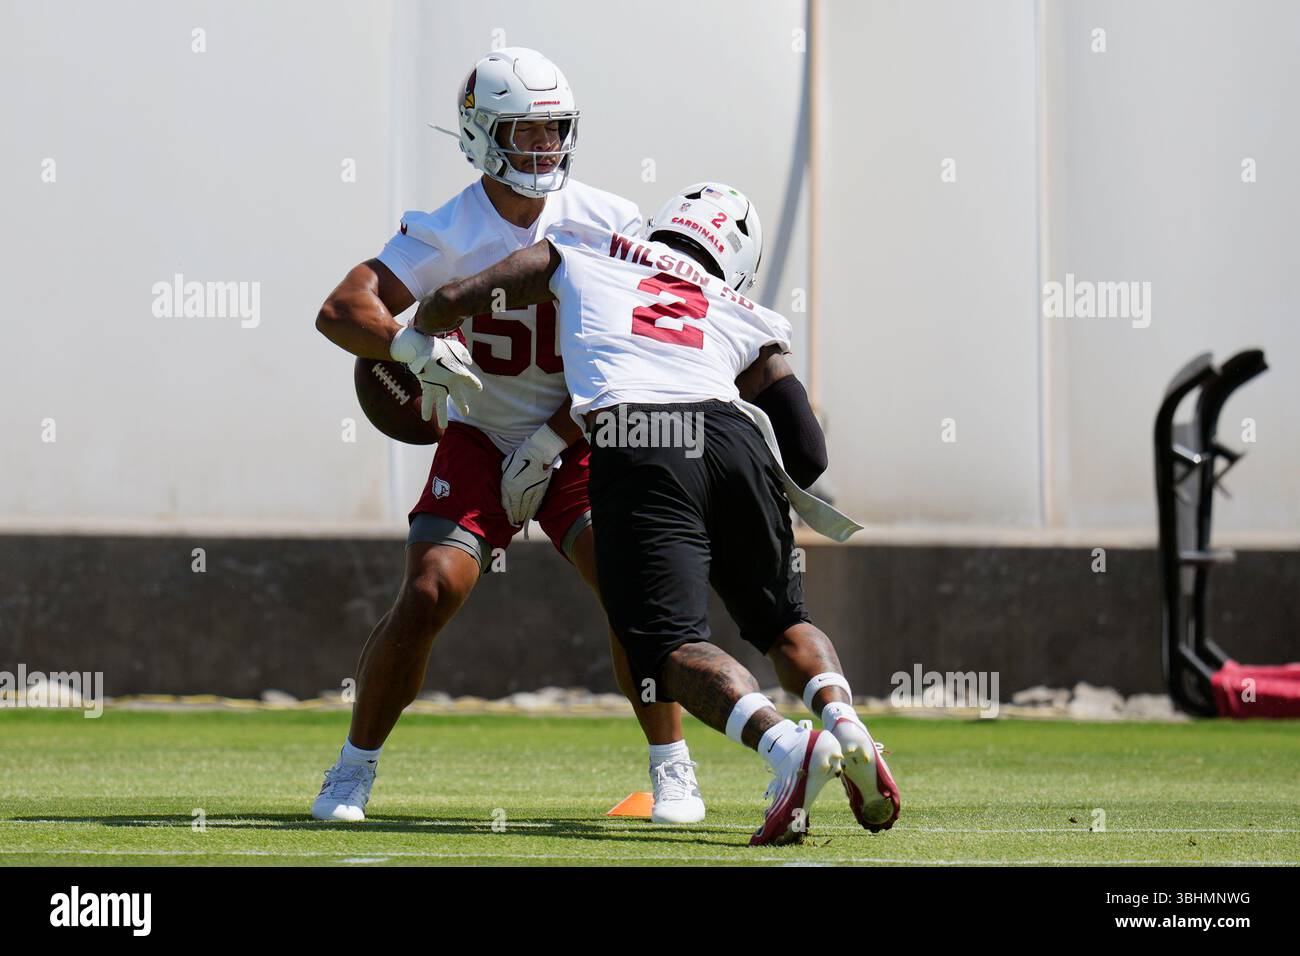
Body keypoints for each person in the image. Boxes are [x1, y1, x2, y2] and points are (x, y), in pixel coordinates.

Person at [415, 183, 901, 844]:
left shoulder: (588, 251)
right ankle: (846, 724)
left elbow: (451, 300)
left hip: (638, 439)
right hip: (736, 440)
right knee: (786, 624)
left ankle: (791, 749)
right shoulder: (741, 307)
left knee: (663, 648)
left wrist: (418, 339)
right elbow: (809, 454)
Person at [311, 47, 706, 825]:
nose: (544, 149)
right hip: (481, 436)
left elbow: (636, 357)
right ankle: (353, 768)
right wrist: (409, 346)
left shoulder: (607, 220)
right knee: (428, 592)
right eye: (525, 134)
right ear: (481, 135)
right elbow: (340, 308)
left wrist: (555, 440)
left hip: (581, 435)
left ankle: (673, 768)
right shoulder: (448, 231)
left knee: (631, 590)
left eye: (553, 131)